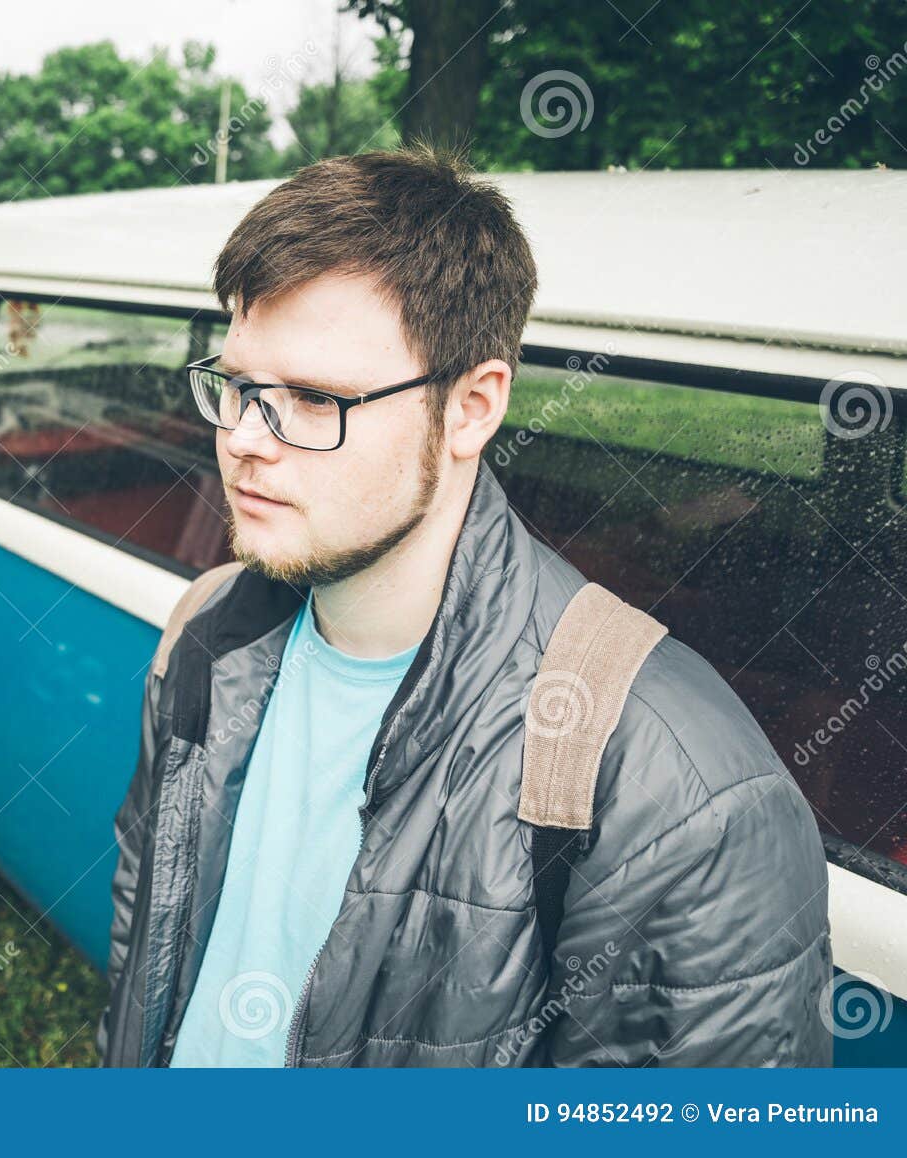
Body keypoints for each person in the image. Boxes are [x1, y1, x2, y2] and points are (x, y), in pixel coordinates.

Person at [96, 146, 832, 1068]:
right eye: (239, 387)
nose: (244, 439)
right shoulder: (210, 634)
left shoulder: (675, 792)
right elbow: (147, 937)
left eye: (313, 399)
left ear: (474, 407)